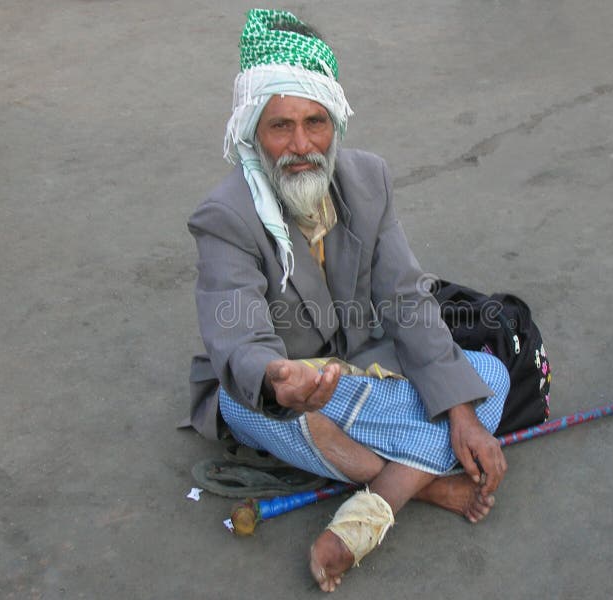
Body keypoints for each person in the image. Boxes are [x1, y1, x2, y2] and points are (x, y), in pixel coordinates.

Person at [187, 9, 511, 592]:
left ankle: (378, 498)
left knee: (487, 374)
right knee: (246, 407)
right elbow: (237, 341)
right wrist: (277, 381)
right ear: (251, 132)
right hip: (281, 389)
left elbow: (406, 300)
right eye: (280, 126)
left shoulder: (369, 180)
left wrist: (461, 410)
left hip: (364, 370)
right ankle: (426, 483)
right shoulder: (225, 216)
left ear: (336, 121)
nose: (302, 145)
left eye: (316, 122)